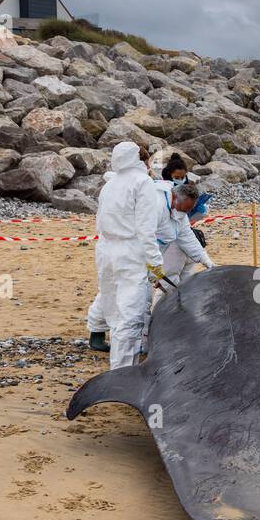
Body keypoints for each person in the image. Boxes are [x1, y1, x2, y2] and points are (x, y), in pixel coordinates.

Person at [87, 141, 169, 369]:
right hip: (130, 254)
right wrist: (156, 266)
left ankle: (118, 369)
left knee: (114, 313)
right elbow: (146, 230)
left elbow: (100, 222)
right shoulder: (142, 183)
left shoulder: (110, 184)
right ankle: (123, 374)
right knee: (130, 318)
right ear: (143, 161)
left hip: (105, 252)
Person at [153, 178, 215, 284]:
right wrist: (152, 264)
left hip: (151, 259)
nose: (185, 213)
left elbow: (187, 237)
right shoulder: (157, 206)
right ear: (175, 198)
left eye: (188, 211)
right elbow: (144, 238)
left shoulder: (180, 214)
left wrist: (206, 261)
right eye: (184, 209)